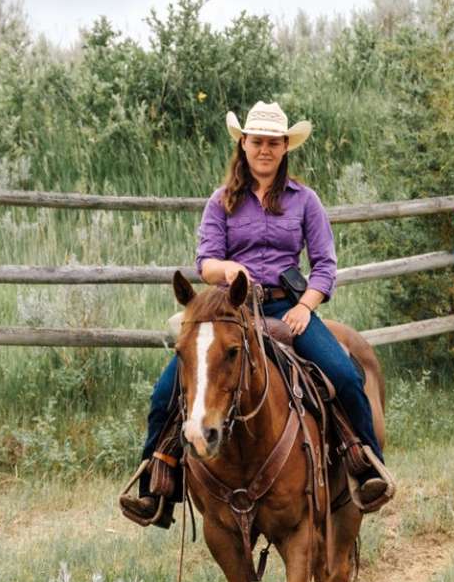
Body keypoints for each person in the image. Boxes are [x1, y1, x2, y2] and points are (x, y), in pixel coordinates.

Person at [120, 101, 393, 526]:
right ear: (243, 145)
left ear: (285, 147)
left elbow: (324, 265)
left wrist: (305, 307)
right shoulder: (221, 201)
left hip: (287, 306)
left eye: (273, 142)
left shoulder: (306, 201)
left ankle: (366, 463)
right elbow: (205, 262)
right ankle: (157, 485)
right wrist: (227, 269)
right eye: (257, 141)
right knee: (166, 392)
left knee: (343, 373)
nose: (264, 149)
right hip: (230, 310)